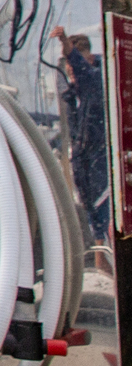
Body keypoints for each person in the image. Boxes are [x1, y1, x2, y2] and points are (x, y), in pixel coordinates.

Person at [52, 24, 110, 243]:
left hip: (98, 163)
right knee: (92, 218)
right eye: (68, 64)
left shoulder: (94, 81)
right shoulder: (73, 94)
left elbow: (81, 68)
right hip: (83, 166)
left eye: (73, 63)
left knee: (101, 218)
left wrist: (65, 42)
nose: (70, 69)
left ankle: (106, 262)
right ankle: (101, 258)